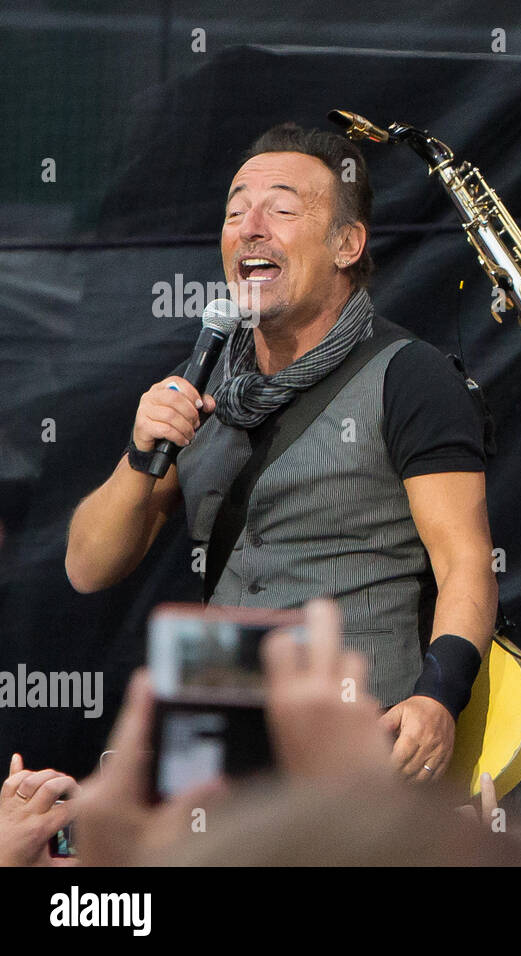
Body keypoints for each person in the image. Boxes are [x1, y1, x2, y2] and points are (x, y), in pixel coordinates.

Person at [64, 123, 498, 782]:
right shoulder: (204, 381)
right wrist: (137, 452)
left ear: (347, 243)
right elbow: (88, 566)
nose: (250, 227)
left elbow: (466, 563)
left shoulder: (411, 375)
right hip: (216, 749)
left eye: (282, 210)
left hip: (353, 748)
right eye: (235, 211)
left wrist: (437, 698)